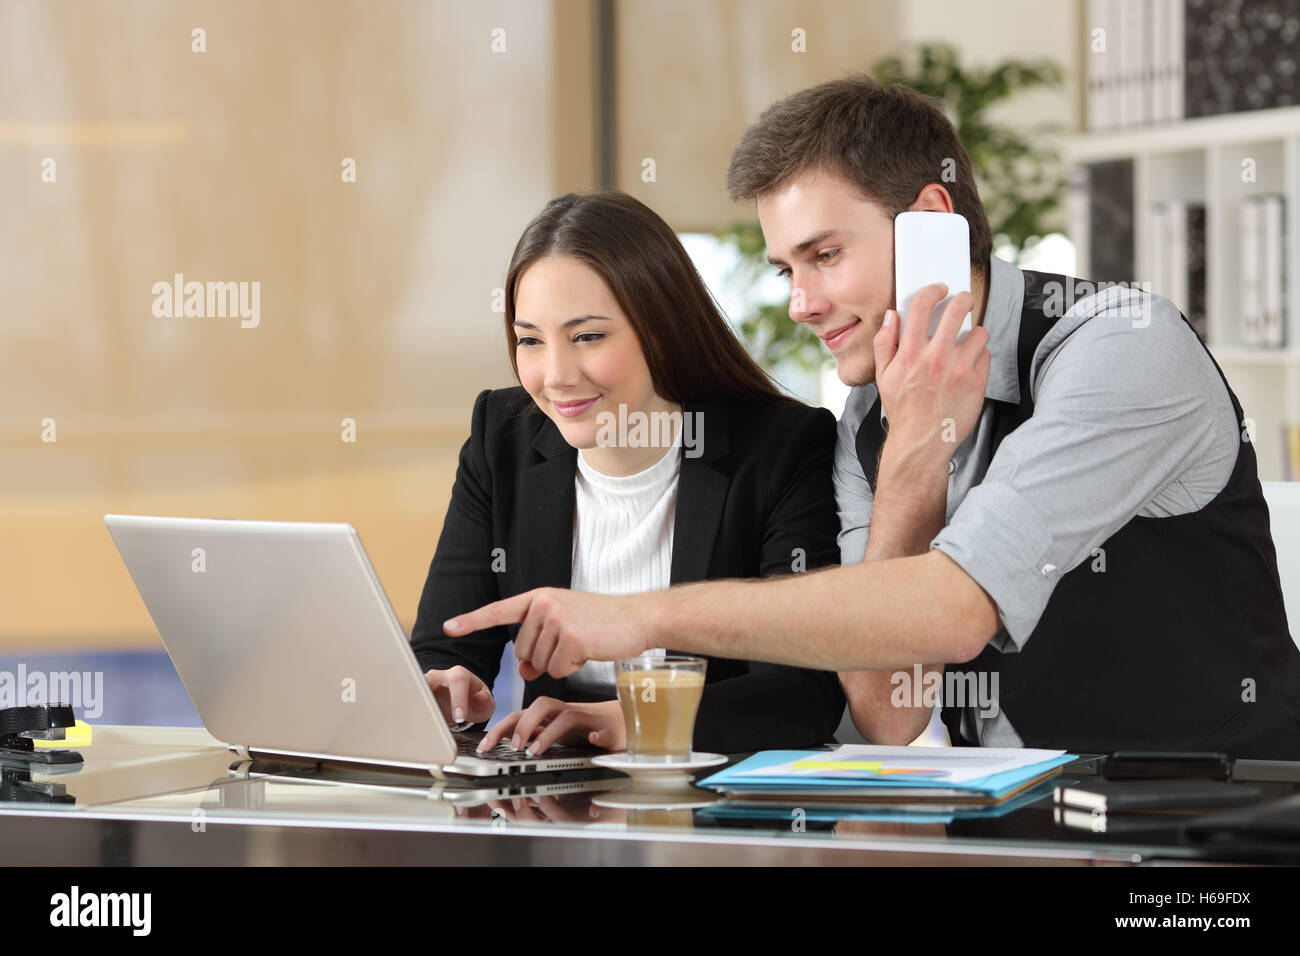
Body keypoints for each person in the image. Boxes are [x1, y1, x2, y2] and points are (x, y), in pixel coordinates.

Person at [443, 74, 1300, 761]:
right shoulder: (866, 418)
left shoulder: (1120, 345)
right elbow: (889, 709)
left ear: (932, 223)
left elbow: (959, 609)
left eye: (824, 255)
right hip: (1016, 824)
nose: (802, 303)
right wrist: (915, 454)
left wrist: (644, 617)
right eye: (786, 269)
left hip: (1209, 825)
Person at [409, 190, 846, 757]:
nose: (556, 375)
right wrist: (448, 685)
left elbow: (803, 695)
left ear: (661, 328)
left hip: (722, 813)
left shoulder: (780, 447)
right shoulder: (503, 437)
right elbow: (446, 644)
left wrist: (627, 722)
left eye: (587, 336)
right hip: (558, 803)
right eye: (530, 341)